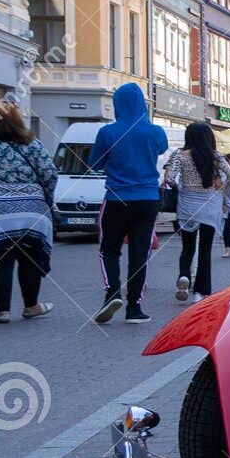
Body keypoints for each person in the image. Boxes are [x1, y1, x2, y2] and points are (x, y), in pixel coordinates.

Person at [0, 99, 57, 322]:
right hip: (31, 209)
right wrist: (46, 199)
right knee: (30, 256)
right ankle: (31, 306)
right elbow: (49, 174)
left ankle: (3, 311)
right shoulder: (32, 144)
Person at [91, 81, 168, 324]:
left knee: (109, 249)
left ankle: (112, 293)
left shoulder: (107, 132)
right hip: (147, 199)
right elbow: (161, 149)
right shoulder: (156, 132)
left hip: (116, 198)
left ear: (117, 105)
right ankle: (135, 307)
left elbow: (94, 164)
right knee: (139, 253)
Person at [167, 121, 230, 302]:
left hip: (187, 205)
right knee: (205, 249)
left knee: (187, 248)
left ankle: (184, 276)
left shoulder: (179, 155)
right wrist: (223, 193)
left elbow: (170, 178)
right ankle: (200, 292)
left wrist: (181, 187)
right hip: (209, 206)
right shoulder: (216, 156)